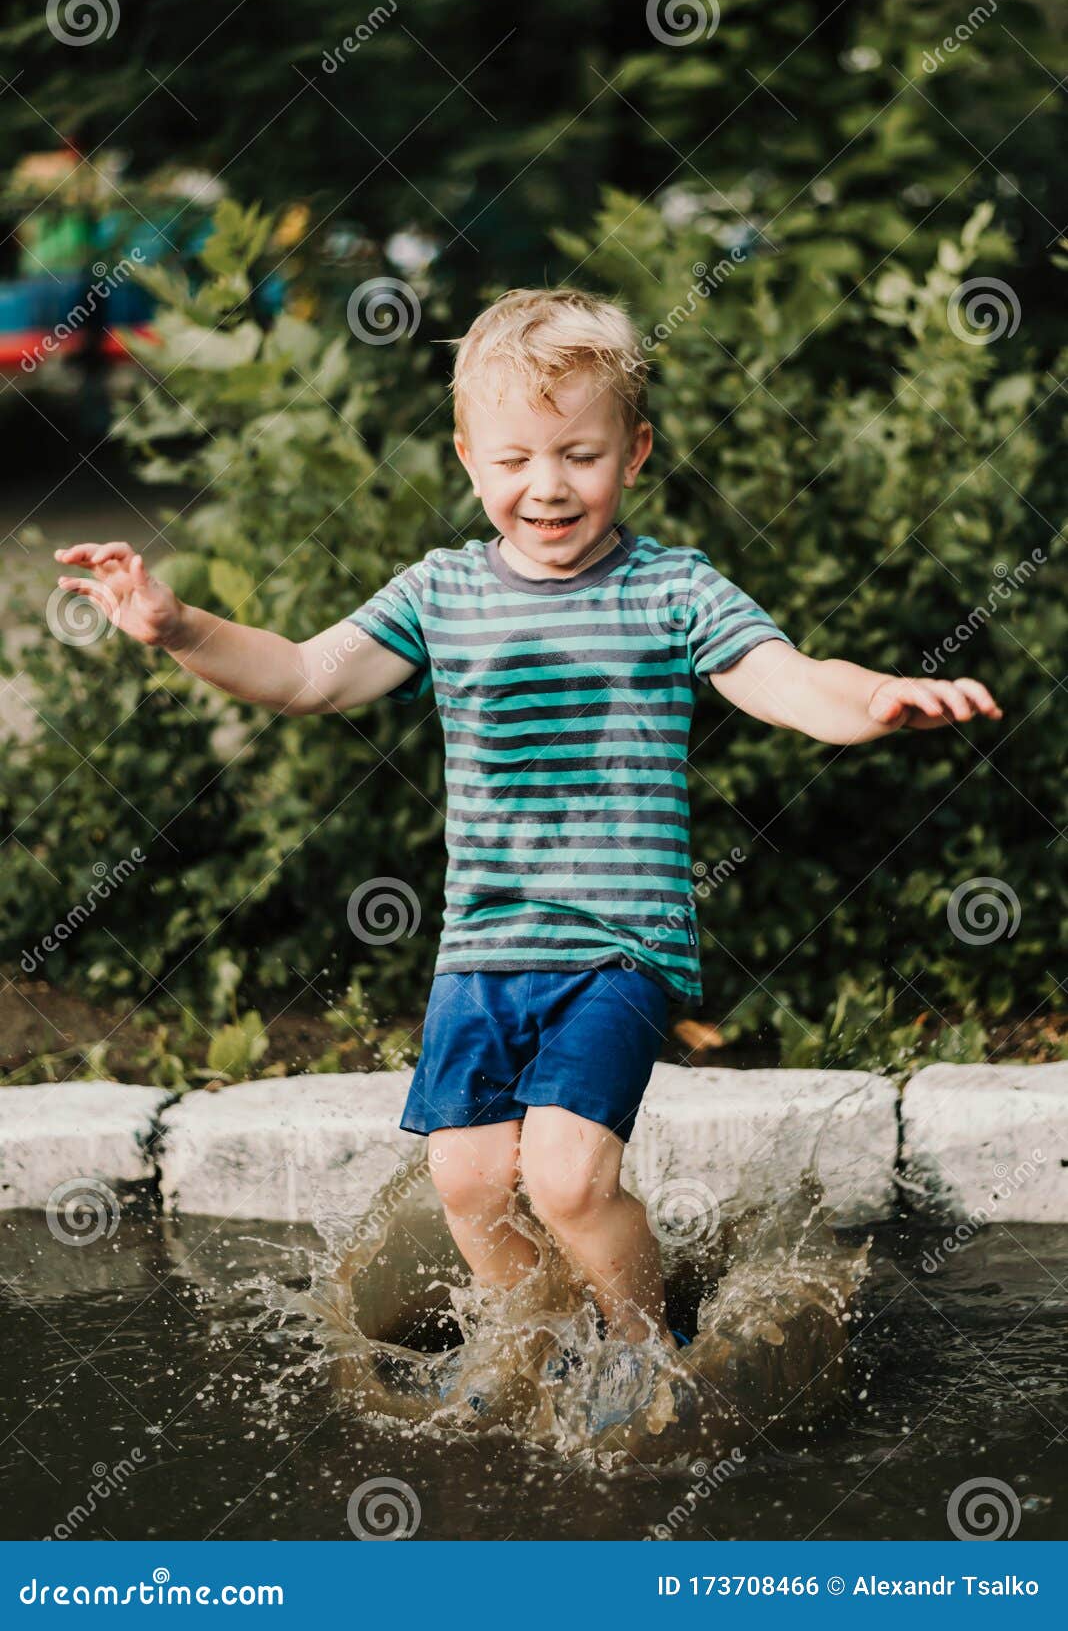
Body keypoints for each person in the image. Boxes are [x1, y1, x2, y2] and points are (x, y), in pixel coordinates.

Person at [53, 286, 1002, 1387]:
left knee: (564, 1180)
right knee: (466, 1181)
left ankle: (648, 1358)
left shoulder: (671, 590)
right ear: (468, 458)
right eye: (513, 459)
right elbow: (302, 674)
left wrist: (877, 697)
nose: (546, 485)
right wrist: (177, 627)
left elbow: (791, 682)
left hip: (617, 942)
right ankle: (537, 1351)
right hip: (482, 949)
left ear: (634, 453)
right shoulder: (444, 591)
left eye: (579, 454)